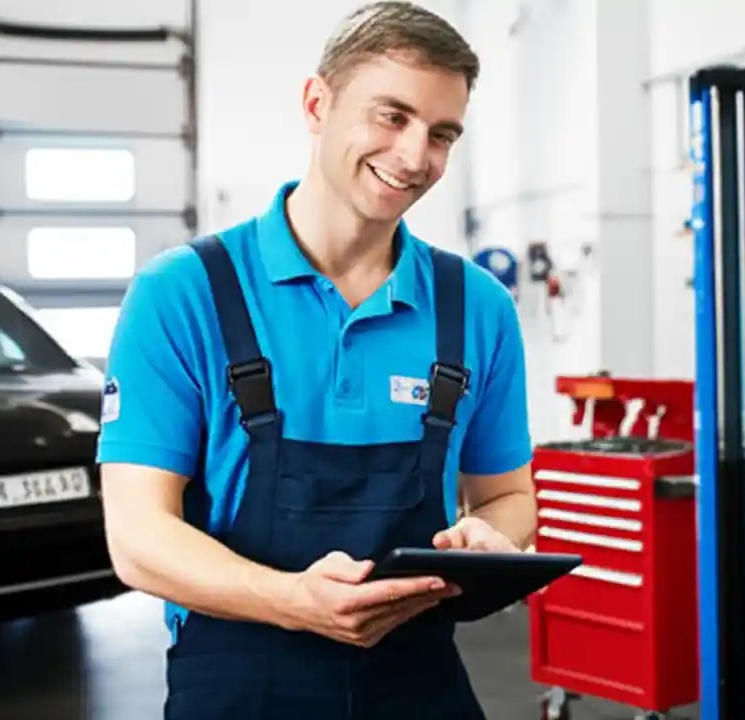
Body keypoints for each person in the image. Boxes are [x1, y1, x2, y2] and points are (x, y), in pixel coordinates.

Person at [96, 3, 535, 718]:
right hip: (238, 681)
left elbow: (509, 497)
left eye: (442, 134)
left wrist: (491, 540)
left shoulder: (477, 306)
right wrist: (292, 601)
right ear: (317, 103)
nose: (416, 156)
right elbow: (138, 539)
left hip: (417, 680)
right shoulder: (184, 293)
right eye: (391, 116)